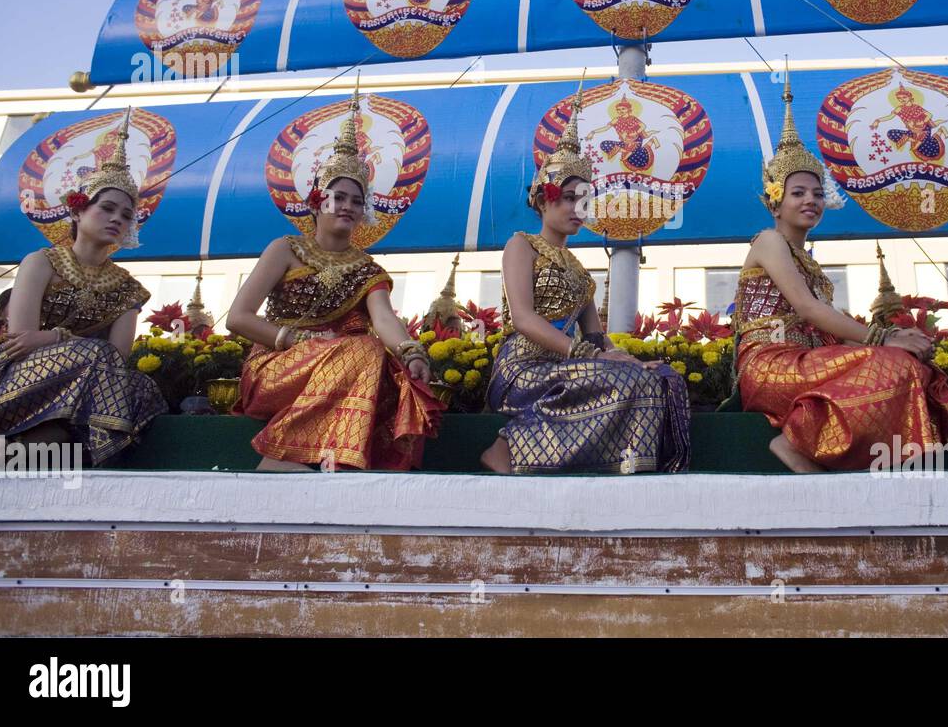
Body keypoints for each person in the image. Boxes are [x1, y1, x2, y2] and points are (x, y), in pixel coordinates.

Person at [732, 80, 948, 472]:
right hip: (770, 365)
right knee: (896, 364)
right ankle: (796, 441)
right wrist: (885, 338)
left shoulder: (810, 263)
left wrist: (899, 340)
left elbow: (833, 328)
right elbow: (808, 310)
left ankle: (873, 465)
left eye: (818, 194)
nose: (811, 200)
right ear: (775, 200)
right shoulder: (769, 241)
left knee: (911, 367)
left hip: (808, 361)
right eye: (798, 193)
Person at [228, 90, 444, 471]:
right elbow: (238, 318)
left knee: (376, 356)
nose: (347, 206)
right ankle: (283, 453)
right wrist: (299, 340)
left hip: (341, 368)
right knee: (362, 350)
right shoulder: (285, 249)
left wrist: (411, 352)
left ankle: (330, 460)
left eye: (356, 201)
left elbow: (384, 320)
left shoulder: (367, 269)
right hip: (278, 366)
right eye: (338, 197)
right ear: (317, 202)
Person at [480, 87, 690, 474]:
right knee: (624, 381)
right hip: (523, 367)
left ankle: (627, 471)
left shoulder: (579, 270)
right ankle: (508, 448)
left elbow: (596, 338)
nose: (579, 209)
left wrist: (627, 358)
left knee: (657, 380)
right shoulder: (520, 246)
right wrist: (593, 356)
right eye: (569, 199)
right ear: (544, 200)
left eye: (585, 200)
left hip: (573, 366)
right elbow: (524, 320)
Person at [0, 109, 166, 465]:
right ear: (78, 212)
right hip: (18, 381)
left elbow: (118, 356)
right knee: (95, 357)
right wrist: (63, 342)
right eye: (107, 208)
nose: (117, 219)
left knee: (142, 387)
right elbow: (21, 340)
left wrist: (53, 336)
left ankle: (6, 452)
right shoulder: (42, 262)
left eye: (126, 216)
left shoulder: (129, 288)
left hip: (87, 388)